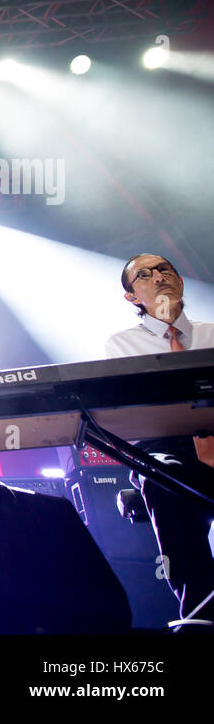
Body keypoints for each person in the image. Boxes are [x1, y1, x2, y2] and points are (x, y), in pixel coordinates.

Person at [104, 253, 214, 621]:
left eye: (165, 269)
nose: (159, 276)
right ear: (132, 297)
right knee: (161, 475)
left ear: (180, 280)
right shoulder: (121, 345)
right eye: (144, 275)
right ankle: (200, 608)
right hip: (166, 445)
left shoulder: (212, 332)